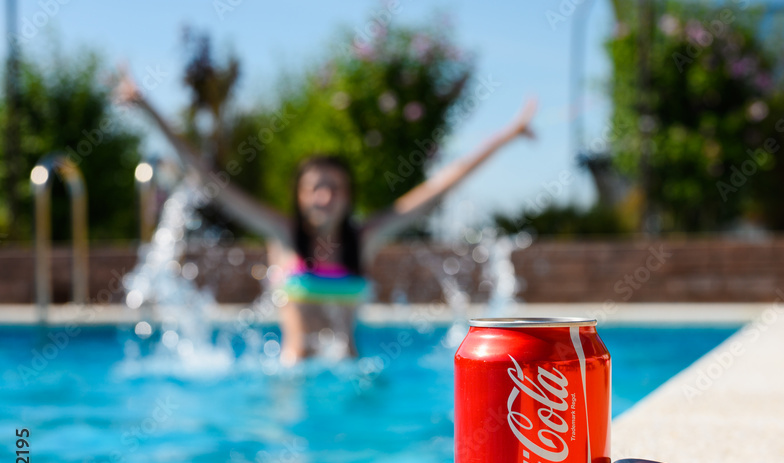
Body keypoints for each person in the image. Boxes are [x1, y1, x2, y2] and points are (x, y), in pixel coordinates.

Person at [114, 68, 536, 363]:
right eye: (315, 186)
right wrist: (149, 108)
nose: (324, 194)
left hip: (350, 376)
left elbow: (441, 185)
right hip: (293, 378)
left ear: (348, 197)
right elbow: (207, 179)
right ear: (299, 196)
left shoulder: (363, 239)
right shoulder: (280, 235)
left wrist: (508, 135)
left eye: (334, 186)